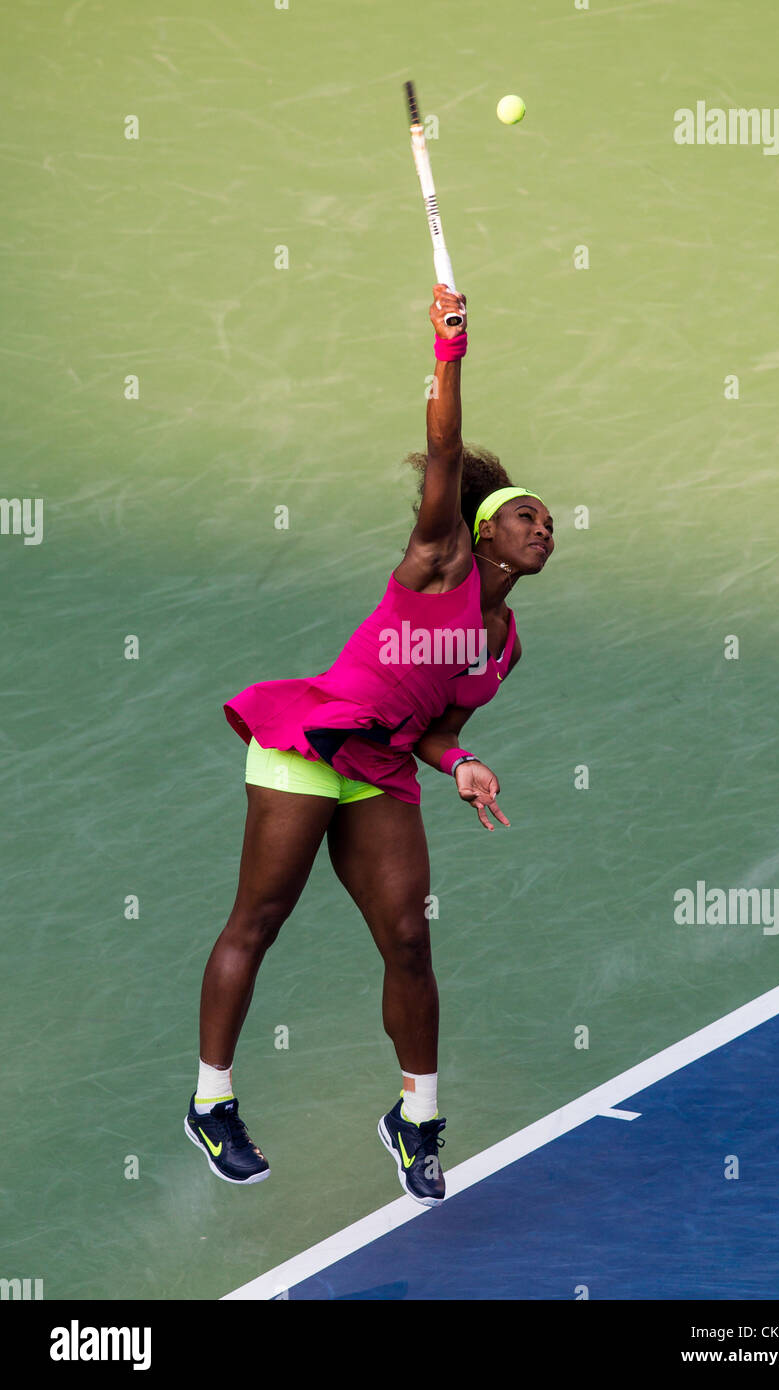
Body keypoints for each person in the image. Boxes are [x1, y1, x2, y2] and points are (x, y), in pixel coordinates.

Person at [184, 285, 555, 1206]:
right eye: (528, 515)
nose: (545, 526)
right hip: (309, 743)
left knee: (408, 942)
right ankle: (212, 1099)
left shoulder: (504, 643)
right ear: (480, 532)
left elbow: (438, 728)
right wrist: (448, 352)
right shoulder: (438, 563)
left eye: (550, 521)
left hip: (383, 766)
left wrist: (460, 762)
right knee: (260, 919)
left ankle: (417, 1118)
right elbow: (442, 449)